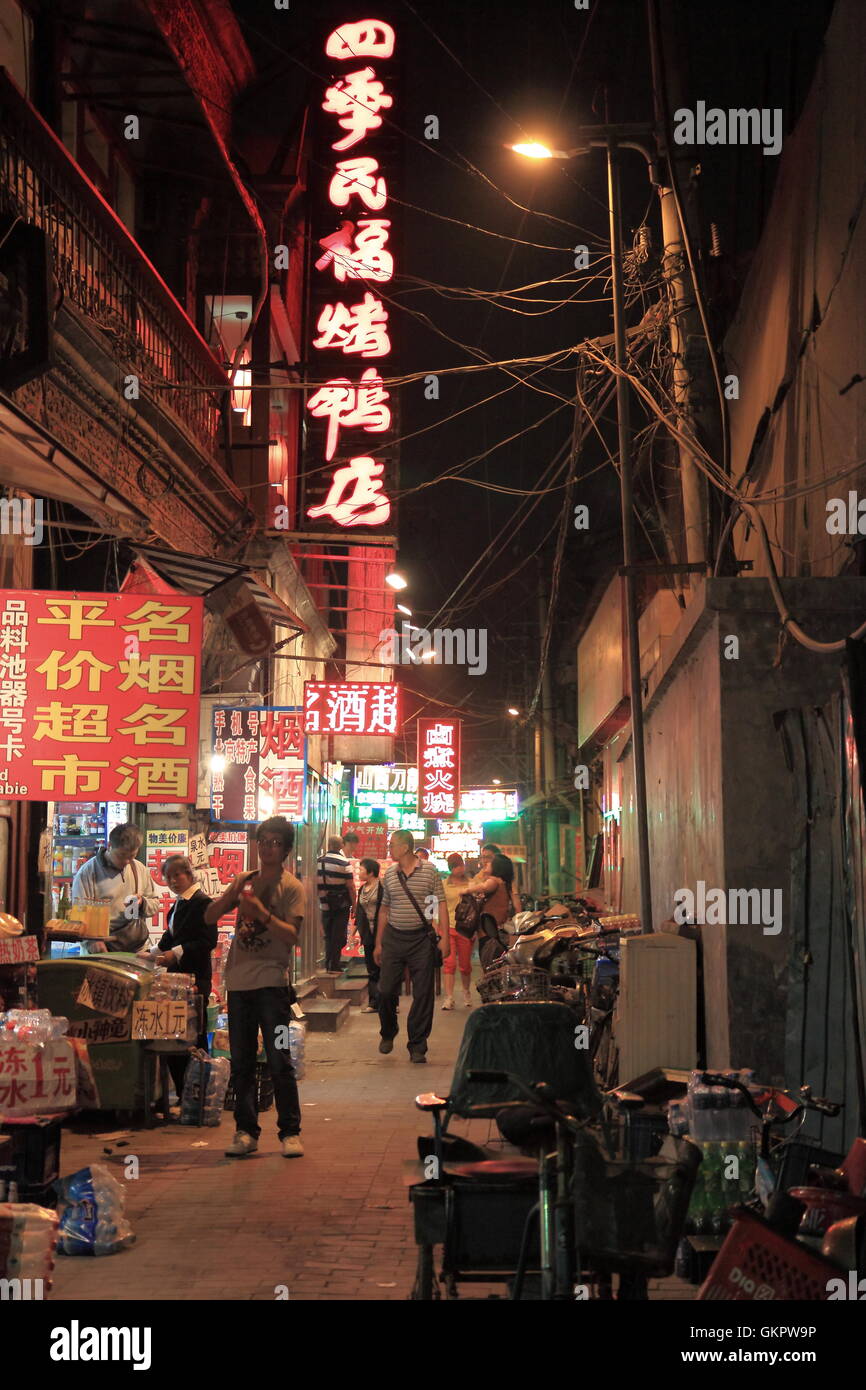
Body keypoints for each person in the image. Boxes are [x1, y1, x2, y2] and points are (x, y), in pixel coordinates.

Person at [204, 817, 305, 1159]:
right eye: (263, 842)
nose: (267, 848)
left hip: (273, 988)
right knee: (242, 1061)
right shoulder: (245, 880)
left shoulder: (291, 887)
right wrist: (230, 896)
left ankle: (290, 1132)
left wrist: (261, 913)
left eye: (275, 843)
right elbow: (209, 916)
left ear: (286, 849)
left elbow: (292, 936)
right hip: (240, 987)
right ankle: (245, 1131)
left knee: (279, 1060)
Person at [141, 854, 215, 1106]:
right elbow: (169, 937)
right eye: (168, 876)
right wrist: (151, 954)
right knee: (176, 1037)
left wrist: (176, 953)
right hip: (177, 982)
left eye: (177, 875)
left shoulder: (202, 903)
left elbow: (206, 942)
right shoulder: (180, 904)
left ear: (189, 874)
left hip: (195, 980)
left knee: (193, 1037)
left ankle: (198, 1094)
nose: (172, 880)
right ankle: (185, 1094)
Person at [374, 830, 449, 1063]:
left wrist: (444, 937)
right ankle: (388, 1031)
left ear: (405, 847)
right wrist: (378, 943)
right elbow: (384, 910)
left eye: (392, 845)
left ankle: (417, 1044)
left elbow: (438, 905)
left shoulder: (429, 871)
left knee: (423, 993)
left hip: (421, 940)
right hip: (394, 938)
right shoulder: (389, 875)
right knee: (385, 991)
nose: (389, 848)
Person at [71, 823, 160, 953]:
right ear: (109, 846)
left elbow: (155, 903)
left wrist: (142, 903)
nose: (127, 861)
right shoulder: (88, 872)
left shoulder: (139, 869)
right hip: (101, 949)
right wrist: (92, 941)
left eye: (132, 856)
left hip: (136, 946)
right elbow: (78, 915)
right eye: (122, 856)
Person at [316, 835, 356, 973]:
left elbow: (314, 885)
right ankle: (335, 964)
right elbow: (350, 887)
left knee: (328, 935)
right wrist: (354, 905)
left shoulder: (318, 861)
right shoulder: (344, 863)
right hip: (341, 905)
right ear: (341, 845)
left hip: (324, 905)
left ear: (328, 845)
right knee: (338, 935)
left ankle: (329, 963)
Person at [441, 854, 474, 1010]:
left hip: (466, 929)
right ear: (450, 868)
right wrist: (435, 925)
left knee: (465, 965)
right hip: (447, 928)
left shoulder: (472, 884)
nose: (459, 868)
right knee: (449, 963)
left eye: (460, 864)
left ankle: (466, 992)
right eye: (455, 866)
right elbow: (435, 906)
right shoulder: (443, 885)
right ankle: (449, 997)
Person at [474, 852, 516, 970]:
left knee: (490, 966)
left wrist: (467, 890)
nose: (486, 863)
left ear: (497, 867)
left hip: (489, 932)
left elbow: (484, 887)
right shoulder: (504, 883)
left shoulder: (493, 881)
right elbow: (517, 905)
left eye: (489, 862)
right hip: (498, 931)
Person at [355, 858, 384, 1013]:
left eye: (361, 869)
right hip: (368, 933)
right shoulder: (362, 889)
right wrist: (356, 929)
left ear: (371, 872)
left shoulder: (383, 887)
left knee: (385, 967)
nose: (358, 872)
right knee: (371, 968)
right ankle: (373, 1003)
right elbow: (360, 911)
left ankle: (390, 1001)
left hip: (384, 932)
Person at [471, 842, 521, 916]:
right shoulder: (477, 878)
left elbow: (515, 900)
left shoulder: (504, 878)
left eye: (488, 857)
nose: (484, 861)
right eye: (482, 857)